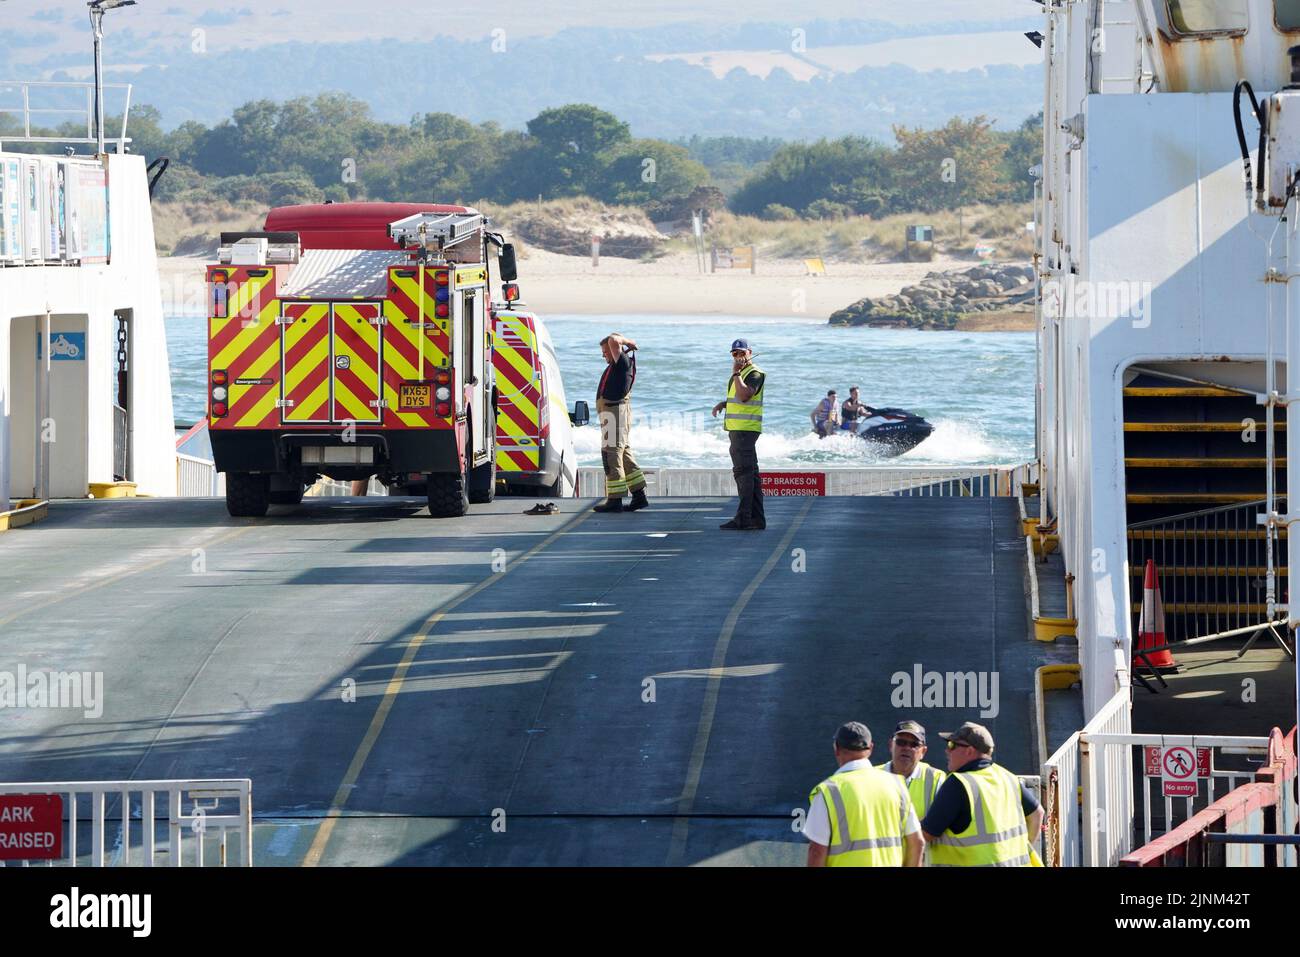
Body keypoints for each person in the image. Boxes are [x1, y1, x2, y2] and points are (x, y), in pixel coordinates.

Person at [921, 721, 1044, 867]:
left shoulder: (958, 783)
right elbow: (1037, 814)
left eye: (952, 745)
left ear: (969, 751)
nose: (947, 751)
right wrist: (1021, 849)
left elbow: (926, 834)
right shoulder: (1007, 777)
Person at [804, 722, 924, 867]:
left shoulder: (828, 791)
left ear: (836, 748)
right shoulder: (897, 785)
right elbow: (917, 843)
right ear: (871, 748)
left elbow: (817, 851)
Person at [711, 339, 766, 530]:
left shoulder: (754, 374)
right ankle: (757, 519)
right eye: (734, 354)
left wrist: (735, 372)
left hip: (745, 430)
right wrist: (724, 404)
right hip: (739, 430)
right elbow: (739, 399)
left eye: (741, 353)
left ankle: (744, 518)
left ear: (749, 352)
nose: (738, 357)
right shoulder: (742, 374)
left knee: (743, 474)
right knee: (752, 474)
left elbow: (745, 395)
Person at [592, 333, 648, 513]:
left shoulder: (622, 362)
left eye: (605, 352)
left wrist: (629, 342)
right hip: (614, 412)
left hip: (615, 412)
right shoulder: (619, 364)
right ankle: (639, 495)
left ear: (614, 350)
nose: (603, 356)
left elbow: (614, 339)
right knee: (623, 453)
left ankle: (615, 500)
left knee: (612, 453)